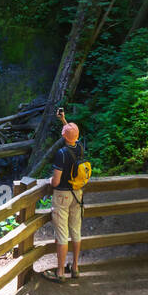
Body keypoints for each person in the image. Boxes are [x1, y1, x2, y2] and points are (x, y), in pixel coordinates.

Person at [45, 108, 84, 282]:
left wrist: (49, 180)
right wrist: (64, 120)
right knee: (75, 231)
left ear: (63, 136)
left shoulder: (61, 154)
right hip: (78, 194)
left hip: (62, 196)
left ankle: (60, 272)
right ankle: (75, 267)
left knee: (62, 234)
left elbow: (55, 182)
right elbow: (71, 134)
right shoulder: (81, 147)